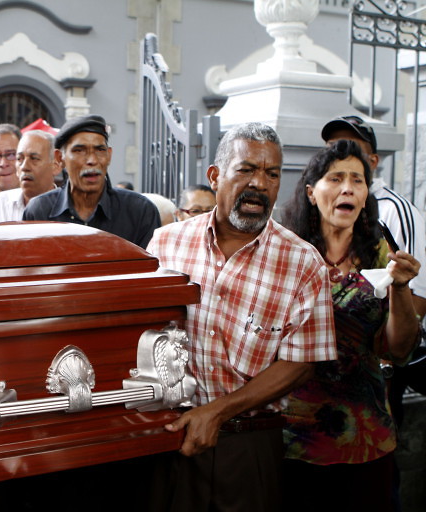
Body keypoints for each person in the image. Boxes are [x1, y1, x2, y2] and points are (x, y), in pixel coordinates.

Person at [146, 122, 336, 512]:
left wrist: (216, 412)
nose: (260, 184)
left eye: (271, 173)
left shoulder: (302, 263)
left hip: (249, 444)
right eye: (246, 169)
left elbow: (301, 365)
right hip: (167, 436)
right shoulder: (166, 243)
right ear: (215, 177)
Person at [279, 140, 420, 512]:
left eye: (357, 180)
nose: (348, 188)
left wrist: (401, 287)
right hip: (295, 436)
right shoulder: (286, 254)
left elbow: (399, 350)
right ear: (312, 192)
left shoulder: (380, 253)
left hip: (367, 433)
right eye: (336, 178)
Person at [321, 115, 426, 318]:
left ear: (373, 161)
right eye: (333, 148)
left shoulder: (393, 210)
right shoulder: (321, 205)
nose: (342, 156)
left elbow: (417, 292)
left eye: (353, 149)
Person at [23, 115, 160, 249]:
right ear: (60, 158)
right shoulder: (39, 212)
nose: (92, 160)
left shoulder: (139, 211)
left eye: (100, 150)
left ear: (109, 155)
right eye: (80, 151)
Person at [0, 130, 61, 224]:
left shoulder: (67, 209)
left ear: (55, 165)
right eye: (19, 159)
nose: (24, 167)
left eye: (34, 159)